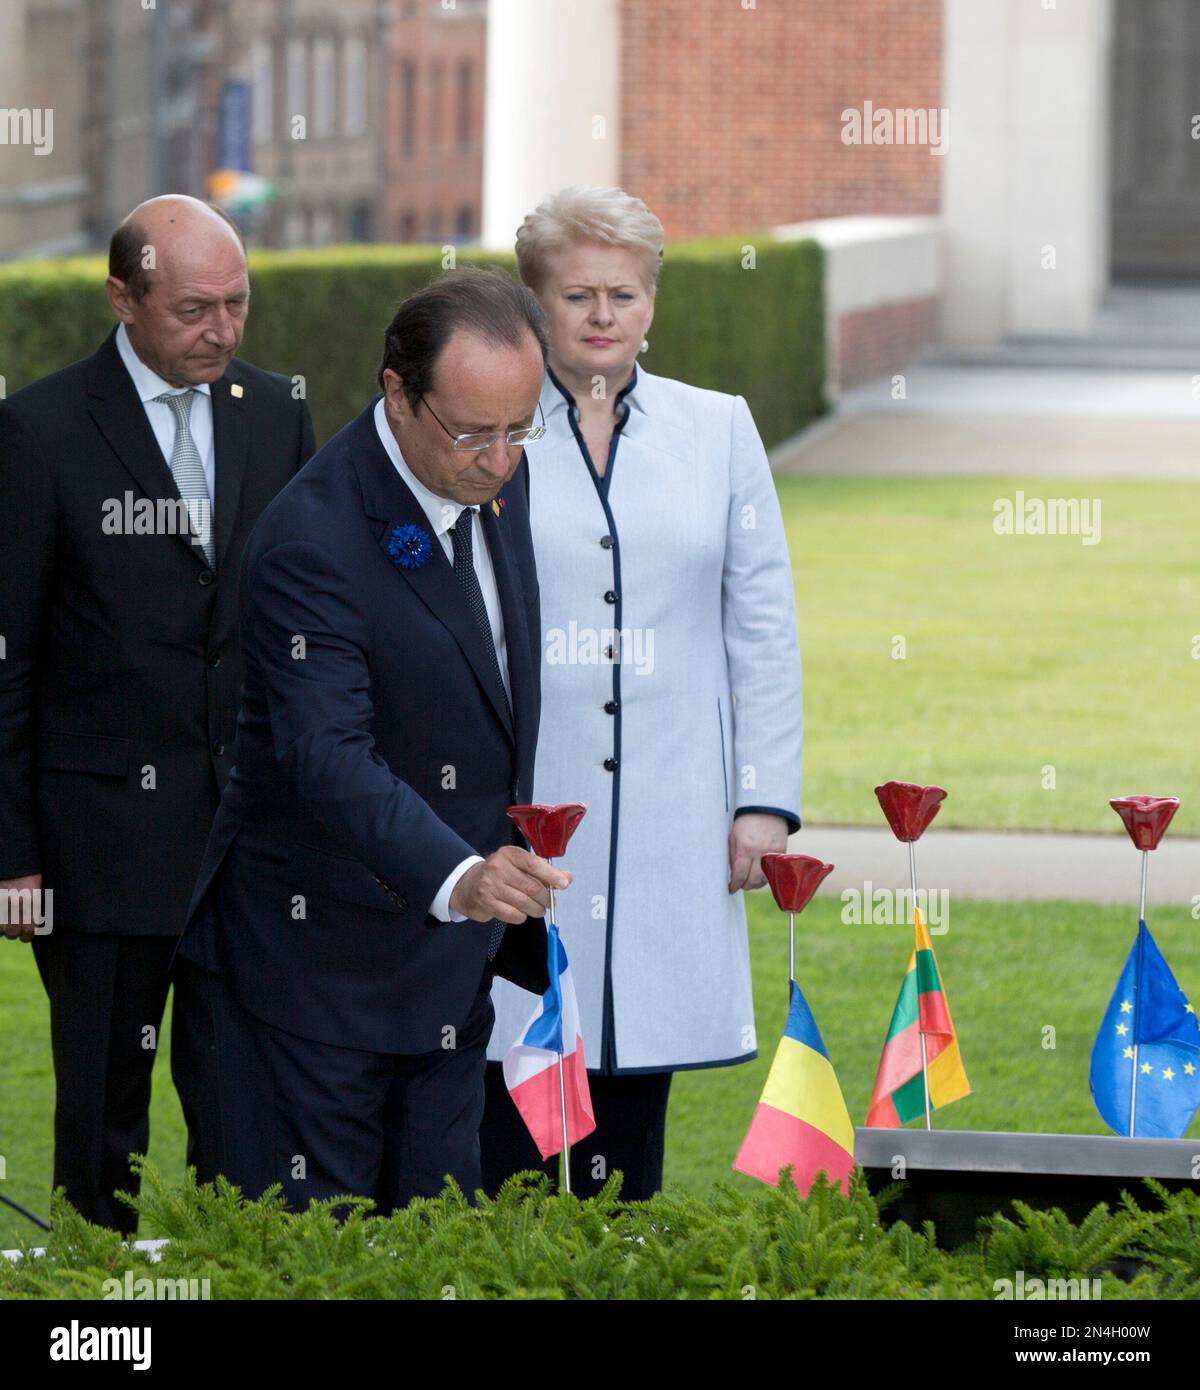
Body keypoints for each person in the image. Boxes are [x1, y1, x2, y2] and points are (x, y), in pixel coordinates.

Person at [174, 268, 569, 1213]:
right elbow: (328, 756)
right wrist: (462, 876)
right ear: (397, 393)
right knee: (311, 1266)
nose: (501, 459)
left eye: (522, 427)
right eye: (474, 430)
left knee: (434, 1254)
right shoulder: (312, 538)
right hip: (304, 987)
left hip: (443, 983)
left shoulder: (491, 485)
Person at [0, 195, 316, 1234]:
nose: (222, 331)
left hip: (250, 851)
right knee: (102, 1128)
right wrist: (14, 858)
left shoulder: (276, 412)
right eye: (193, 310)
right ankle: (92, 1304)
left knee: (246, 1113)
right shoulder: (38, 431)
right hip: (98, 851)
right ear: (121, 300)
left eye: (237, 304)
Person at [481, 186, 803, 1201]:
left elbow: (762, 626)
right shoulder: (486, 432)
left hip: (675, 810)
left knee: (633, 1085)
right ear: (533, 304)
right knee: (511, 1073)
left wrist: (762, 799)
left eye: (625, 292)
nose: (603, 314)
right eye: (577, 293)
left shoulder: (720, 432)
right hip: (525, 808)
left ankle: (619, 1254)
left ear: (653, 302)